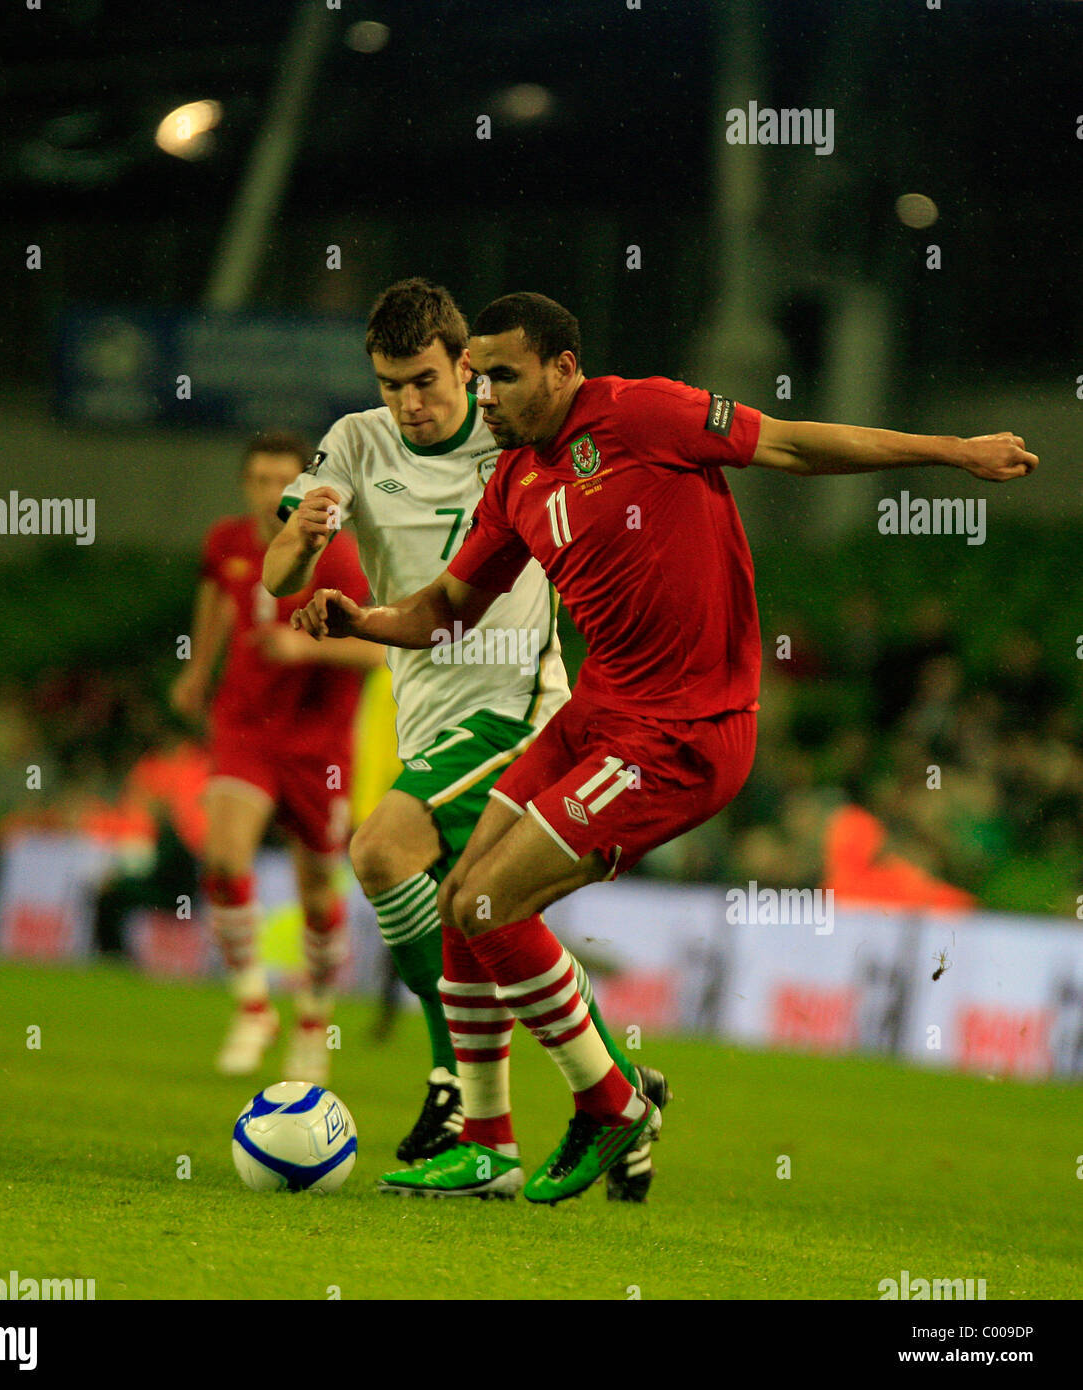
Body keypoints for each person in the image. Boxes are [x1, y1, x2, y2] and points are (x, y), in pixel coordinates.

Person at [289, 290, 1037, 1204]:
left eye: (503, 375)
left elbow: (793, 444)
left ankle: (613, 1105)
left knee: (487, 903)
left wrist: (951, 451)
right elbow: (445, 610)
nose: (484, 394)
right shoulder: (517, 479)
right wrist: (359, 619)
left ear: (564, 368)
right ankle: (487, 1144)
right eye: (477, 376)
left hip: (684, 732)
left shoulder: (644, 413)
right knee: (458, 901)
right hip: (599, 713)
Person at [264, 279, 666, 1198]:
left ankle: (453, 1082)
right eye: (391, 382)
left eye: (425, 380)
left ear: (463, 365)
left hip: (519, 704)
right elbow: (277, 570)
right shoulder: (353, 443)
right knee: (478, 917)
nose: (410, 401)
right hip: (426, 715)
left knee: (379, 849)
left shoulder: (511, 433)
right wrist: (303, 535)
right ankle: (609, 1096)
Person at [171, 431, 383, 1080]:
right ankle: (253, 1004)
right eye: (258, 481)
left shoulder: (344, 560)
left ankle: (314, 1019)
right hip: (245, 725)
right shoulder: (227, 544)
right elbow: (214, 597)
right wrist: (198, 668)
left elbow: (381, 651)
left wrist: (307, 650)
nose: (269, 494)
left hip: (319, 741)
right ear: (245, 485)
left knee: (317, 894)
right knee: (224, 856)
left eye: (281, 483)